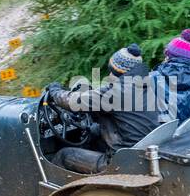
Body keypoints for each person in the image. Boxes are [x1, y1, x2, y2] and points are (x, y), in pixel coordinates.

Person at [47, 44, 167, 173]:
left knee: (64, 155)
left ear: (119, 72)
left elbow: (73, 102)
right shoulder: (145, 84)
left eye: (112, 70)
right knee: (93, 133)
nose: (109, 74)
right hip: (140, 151)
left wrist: (55, 90)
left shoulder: (117, 92)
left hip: (121, 161)